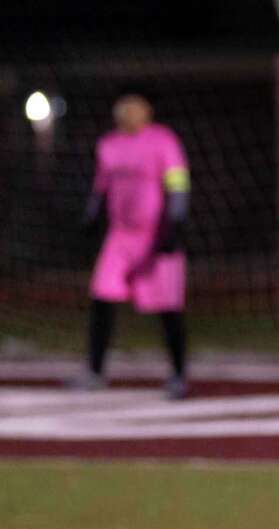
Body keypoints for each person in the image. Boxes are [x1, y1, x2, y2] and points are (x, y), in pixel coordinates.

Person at [76, 86, 191, 400]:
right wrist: (92, 215)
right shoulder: (108, 144)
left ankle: (179, 374)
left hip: (154, 235)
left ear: (146, 112)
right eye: (123, 108)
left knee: (168, 306)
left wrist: (174, 225)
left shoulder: (163, 141)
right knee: (101, 298)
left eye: (134, 108)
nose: (127, 114)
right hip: (120, 236)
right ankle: (94, 371)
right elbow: (101, 186)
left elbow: (178, 183)